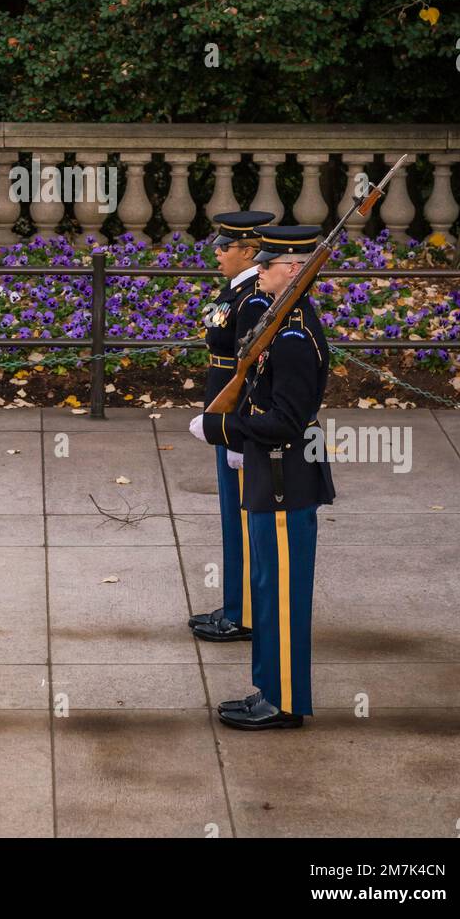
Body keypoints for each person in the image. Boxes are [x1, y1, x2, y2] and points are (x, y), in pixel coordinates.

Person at [201, 225, 335, 730]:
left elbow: (287, 419)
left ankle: (284, 702)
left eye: (270, 265)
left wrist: (225, 427)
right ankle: (271, 690)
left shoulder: (296, 335)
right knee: (269, 586)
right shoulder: (283, 320)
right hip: (269, 469)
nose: (259, 270)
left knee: (281, 597)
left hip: (286, 476)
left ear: (297, 271)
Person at [187, 211, 274, 642]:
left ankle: (245, 614)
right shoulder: (237, 290)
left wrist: (238, 433)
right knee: (230, 516)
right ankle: (236, 605)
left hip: (236, 420)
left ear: (249, 251)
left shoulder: (255, 298)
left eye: (226, 246)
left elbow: (254, 373)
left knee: (242, 520)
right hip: (224, 414)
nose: (217, 251)